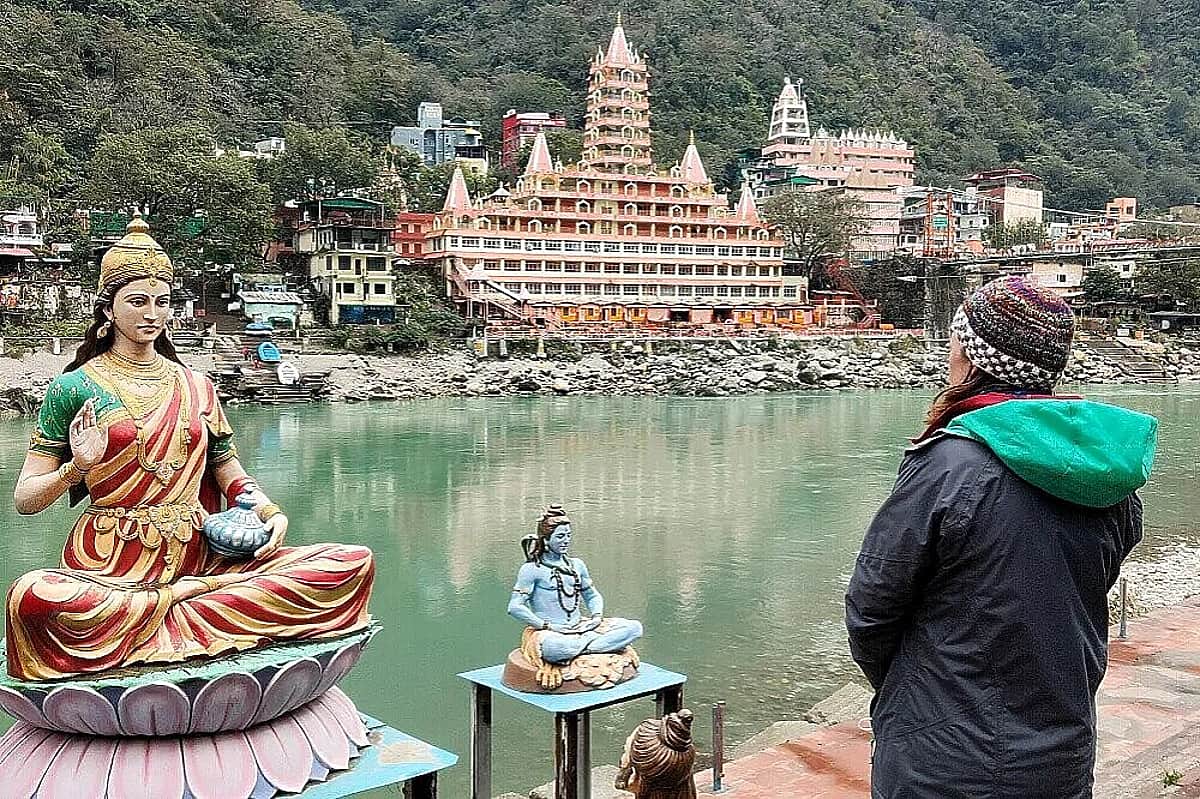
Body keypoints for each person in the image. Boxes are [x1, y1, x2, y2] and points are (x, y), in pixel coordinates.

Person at [6, 217, 375, 681]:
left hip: (202, 548)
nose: (152, 314)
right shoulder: (75, 386)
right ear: (108, 309)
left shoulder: (196, 384)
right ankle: (188, 609)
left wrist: (268, 512)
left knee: (349, 562)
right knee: (33, 597)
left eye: (162, 302)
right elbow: (24, 500)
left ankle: (167, 617)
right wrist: (76, 468)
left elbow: (228, 470)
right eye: (137, 302)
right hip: (110, 565)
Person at [846, 276, 1157, 798]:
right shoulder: (1105, 473)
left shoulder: (948, 465)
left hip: (943, 760)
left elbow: (872, 607)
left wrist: (911, 690)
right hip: (1062, 748)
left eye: (956, 339)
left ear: (973, 355)